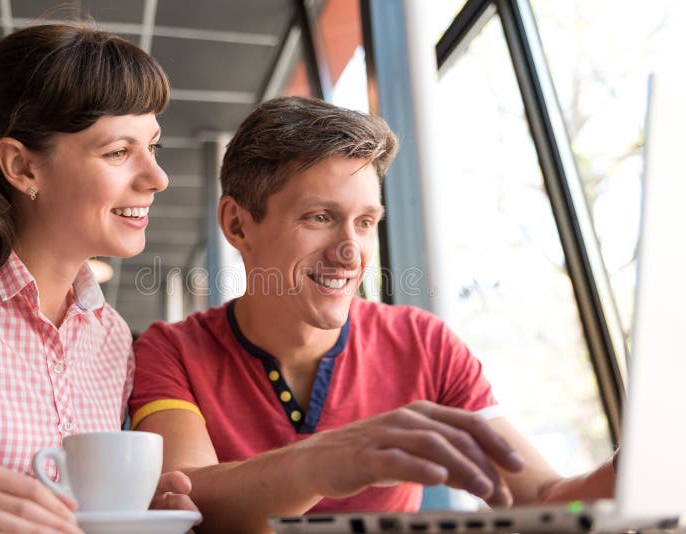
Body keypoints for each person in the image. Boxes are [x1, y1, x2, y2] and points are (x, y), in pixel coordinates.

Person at [130, 96, 616, 532]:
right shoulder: (170, 352)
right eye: (319, 217)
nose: (350, 252)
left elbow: (541, 503)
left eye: (365, 223)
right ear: (238, 224)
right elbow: (190, 504)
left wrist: (633, 464)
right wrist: (327, 462)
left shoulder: (425, 345)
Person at [0, 23, 197, 533]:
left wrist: (130, 515)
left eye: (153, 147)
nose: (157, 178)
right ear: (22, 166)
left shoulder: (111, 337)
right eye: (118, 152)